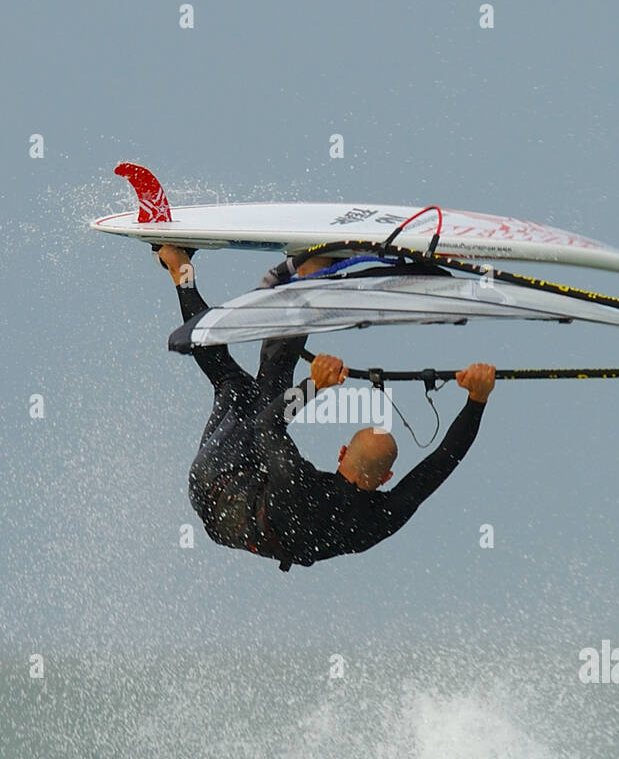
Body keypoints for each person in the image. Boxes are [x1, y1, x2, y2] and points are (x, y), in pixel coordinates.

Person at [158, 243, 495, 571]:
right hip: (238, 512)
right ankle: (297, 282)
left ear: (342, 452)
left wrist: (314, 385)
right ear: (387, 477)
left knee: (254, 393)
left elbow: (266, 425)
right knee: (246, 388)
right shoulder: (377, 520)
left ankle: (299, 280)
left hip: (217, 483)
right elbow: (442, 462)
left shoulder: (302, 485)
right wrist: (476, 401)